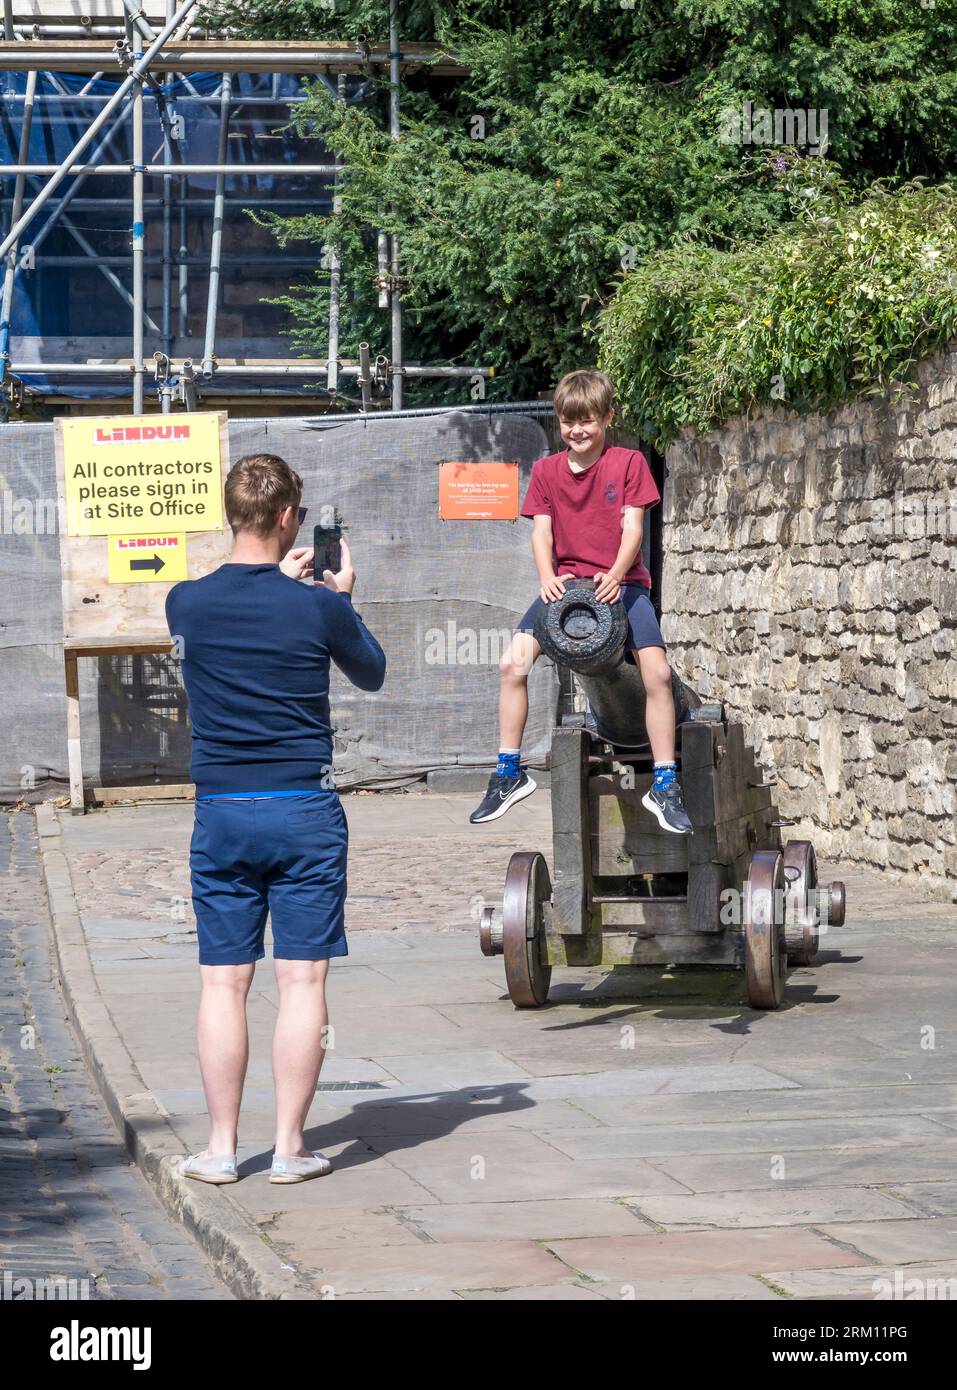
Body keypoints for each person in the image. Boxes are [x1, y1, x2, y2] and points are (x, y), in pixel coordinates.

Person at [165, 453, 386, 1186]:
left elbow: (237, 611)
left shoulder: (184, 602)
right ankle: (290, 1148)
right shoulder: (320, 606)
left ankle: (222, 1148)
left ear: (230, 514)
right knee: (301, 983)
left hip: (221, 811)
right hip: (302, 811)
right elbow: (371, 671)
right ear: (290, 517)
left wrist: (281, 588)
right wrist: (340, 598)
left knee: (223, 984)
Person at [469, 369, 692, 834]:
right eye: (569, 421)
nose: (577, 430)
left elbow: (633, 528)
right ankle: (509, 772)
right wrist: (548, 577)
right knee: (512, 665)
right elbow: (541, 531)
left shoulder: (629, 463)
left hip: (622, 586)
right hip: (566, 589)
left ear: (607, 418)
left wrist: (614, 574)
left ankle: (665, 782)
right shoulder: (548, 471)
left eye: (587, 420)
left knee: (657, 674)